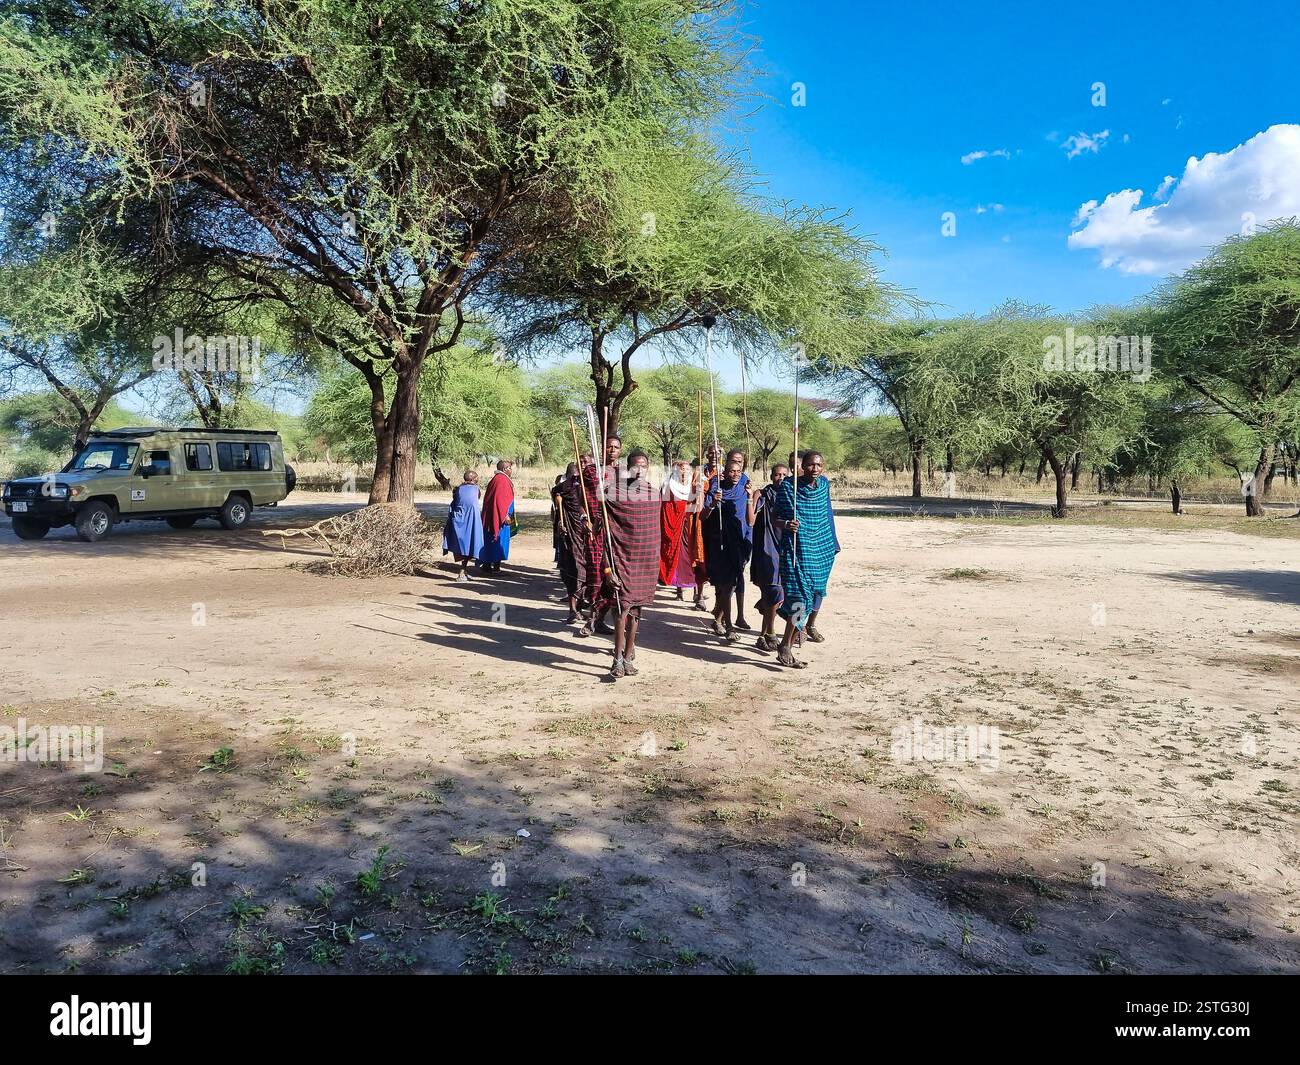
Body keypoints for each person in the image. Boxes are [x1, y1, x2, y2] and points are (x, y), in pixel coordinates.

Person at [596, 449, 660, 679]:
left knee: (636, 610)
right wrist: (607, 567)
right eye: (635, 465)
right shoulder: (614, 494)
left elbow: (654, 534)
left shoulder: (654, 494)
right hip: (621, 559)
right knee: (621, 608)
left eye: (643, 465)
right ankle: (617, 658)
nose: (639, 469)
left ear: (648, 467)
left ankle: (629, 654)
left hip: (645, 561)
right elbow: (606, 534)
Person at [772, 450, 839, 668]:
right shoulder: (789, 487)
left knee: (811, 596)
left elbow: (825, 514)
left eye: (819, 465)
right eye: (811, 465)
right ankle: (785, 646)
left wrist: (833, 543)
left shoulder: (824, 485)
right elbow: (775, 518)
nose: (815, 469)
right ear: (802, 466)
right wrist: (787, 524)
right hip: (795, 548)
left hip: (820, 547)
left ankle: (787, 645)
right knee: (800, 596)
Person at [701, 448, 753, 641]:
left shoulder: (745, 485)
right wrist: (713, 503)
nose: (735, 474)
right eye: (731, 470)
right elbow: (703, 516)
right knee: (726, 584)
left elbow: (750, 518)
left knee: (733, 583)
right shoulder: (717, 485)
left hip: (740, 540)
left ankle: (721, 619)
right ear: (725, 468)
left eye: (738, 470)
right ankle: (728, 624)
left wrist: (749, 497)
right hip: (720, 541)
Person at [747, 462, 789, 651]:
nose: (780, 478)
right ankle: (771, 633)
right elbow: (751, 520)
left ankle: (762, 636)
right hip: (766, 546)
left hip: (785, 547)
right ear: (771, 476)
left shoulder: (790, 495)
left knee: (773, 594)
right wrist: (750, 498)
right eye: (776, 475)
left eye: (783, 475)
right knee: (775, 590)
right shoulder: (762, 494)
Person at [659, 458, 707, 604]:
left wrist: (698, 494)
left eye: (687, 469)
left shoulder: (694, 484)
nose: (684, 472)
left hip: (692, 527)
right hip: (676, 528)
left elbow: (699, 507)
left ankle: (698, 594)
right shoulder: (669, 485)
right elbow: (666, 507)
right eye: (681, 469)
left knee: (695, 557)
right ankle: (679, 589)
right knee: (679, 558)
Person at [442, 469, 484, 582]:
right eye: (476, 478)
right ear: (472, 479)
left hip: (458, 520)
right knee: (468, 545)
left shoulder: (458, 489)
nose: (477, 480)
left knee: (462, 546)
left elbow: (457, 502)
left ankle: (463, 571)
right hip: (470, 521)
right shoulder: (476, 489)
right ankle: (462, 572)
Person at [552, 464, 582, 622]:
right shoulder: (563, 490)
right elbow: (556, 495)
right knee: (571, 572)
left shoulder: (587, 490)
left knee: (586, 575)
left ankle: (582, 609)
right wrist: (560, 524)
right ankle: (573, 610)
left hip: (585, 536)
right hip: (570, 536)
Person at [479, 459, 516, 573]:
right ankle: (495, 568)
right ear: (505, 469)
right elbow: (500, 501)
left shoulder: (498, 479)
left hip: (495, 515)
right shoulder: (502, 480)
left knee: (491, 540)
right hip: (499, 517)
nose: (511, 470)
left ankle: (487, 565)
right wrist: (505, 515)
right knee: (498, 541)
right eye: (510, 468)